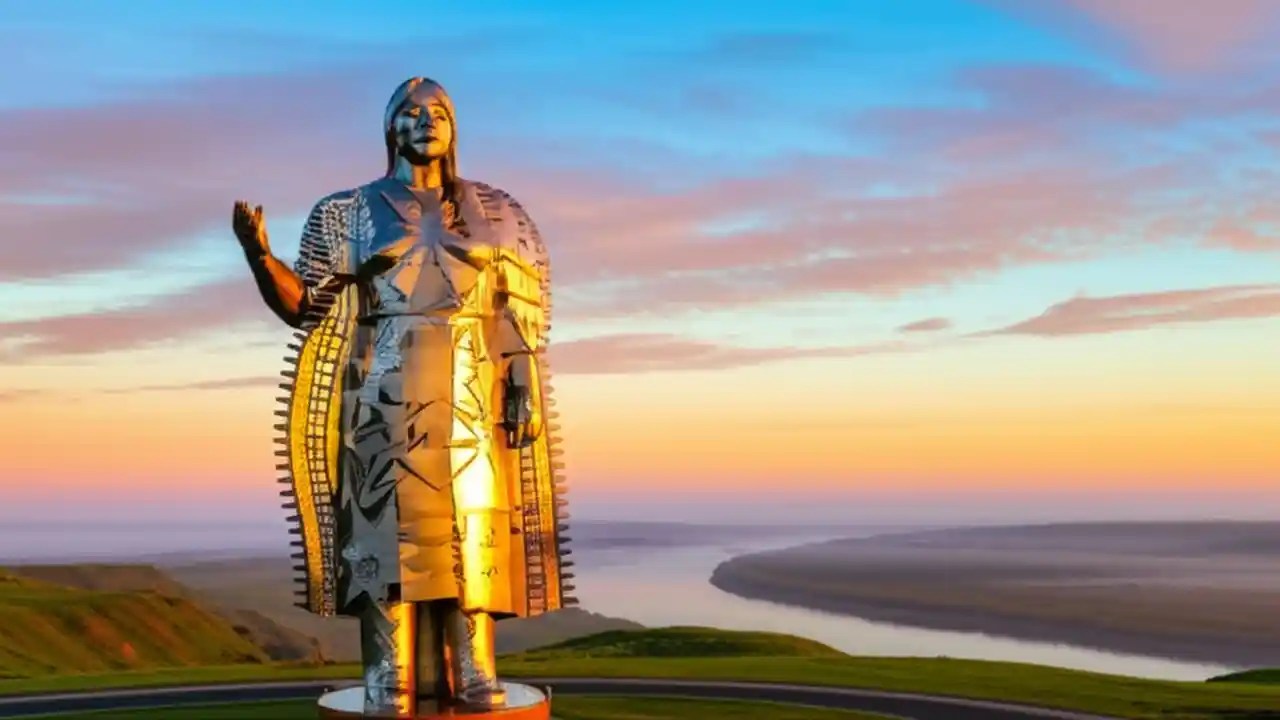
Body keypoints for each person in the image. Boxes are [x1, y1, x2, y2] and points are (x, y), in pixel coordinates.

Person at [231, 77, 572, 715]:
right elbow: (306, 304)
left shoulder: (493, 213)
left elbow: (514, 311)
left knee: (473, 531)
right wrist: (259, 255)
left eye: (437, 112)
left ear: (453, 126)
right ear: (391, 130)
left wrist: (520, 380)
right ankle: (389, 673)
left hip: (472, 392)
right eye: (410, 114)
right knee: (385, 533)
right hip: (381, 392)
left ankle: (474, 668)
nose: (424, 122)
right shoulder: (351, 211)